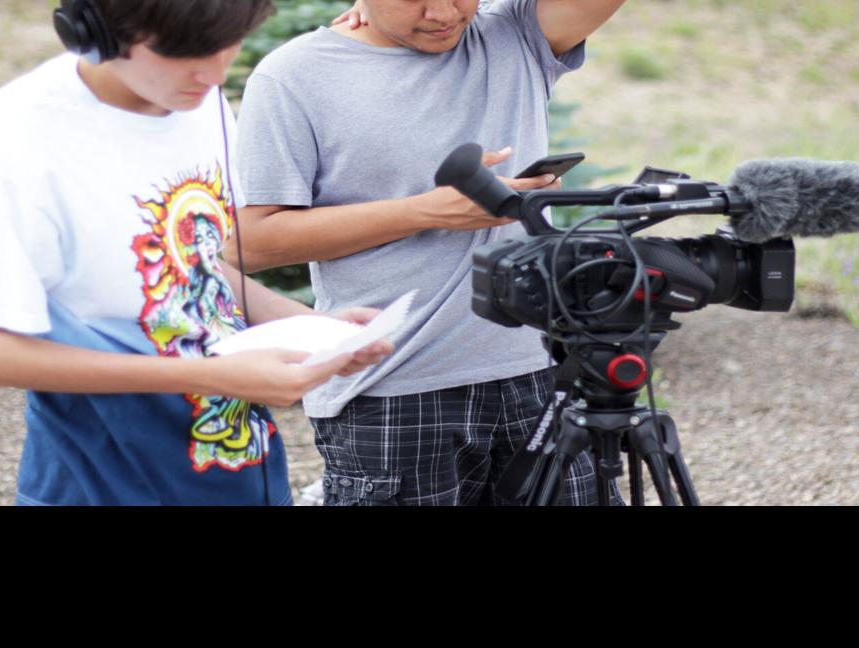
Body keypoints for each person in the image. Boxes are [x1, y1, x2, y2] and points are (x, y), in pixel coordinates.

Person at [0, 0, 394, 506]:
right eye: (185, 51)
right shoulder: (11, 146)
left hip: (239, 475)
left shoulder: (197, 99)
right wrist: (209, 376)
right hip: (104, 486)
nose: (214, 72)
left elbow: (192, 263)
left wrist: (313, 331)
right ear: (96, 28)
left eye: (225, 46)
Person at [233, 0, 627, 506]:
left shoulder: (514, 35)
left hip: (540, 375)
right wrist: (424, 212)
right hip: (389, 393)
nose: (441, 12)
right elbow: (252, 242)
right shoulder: (293, 77)